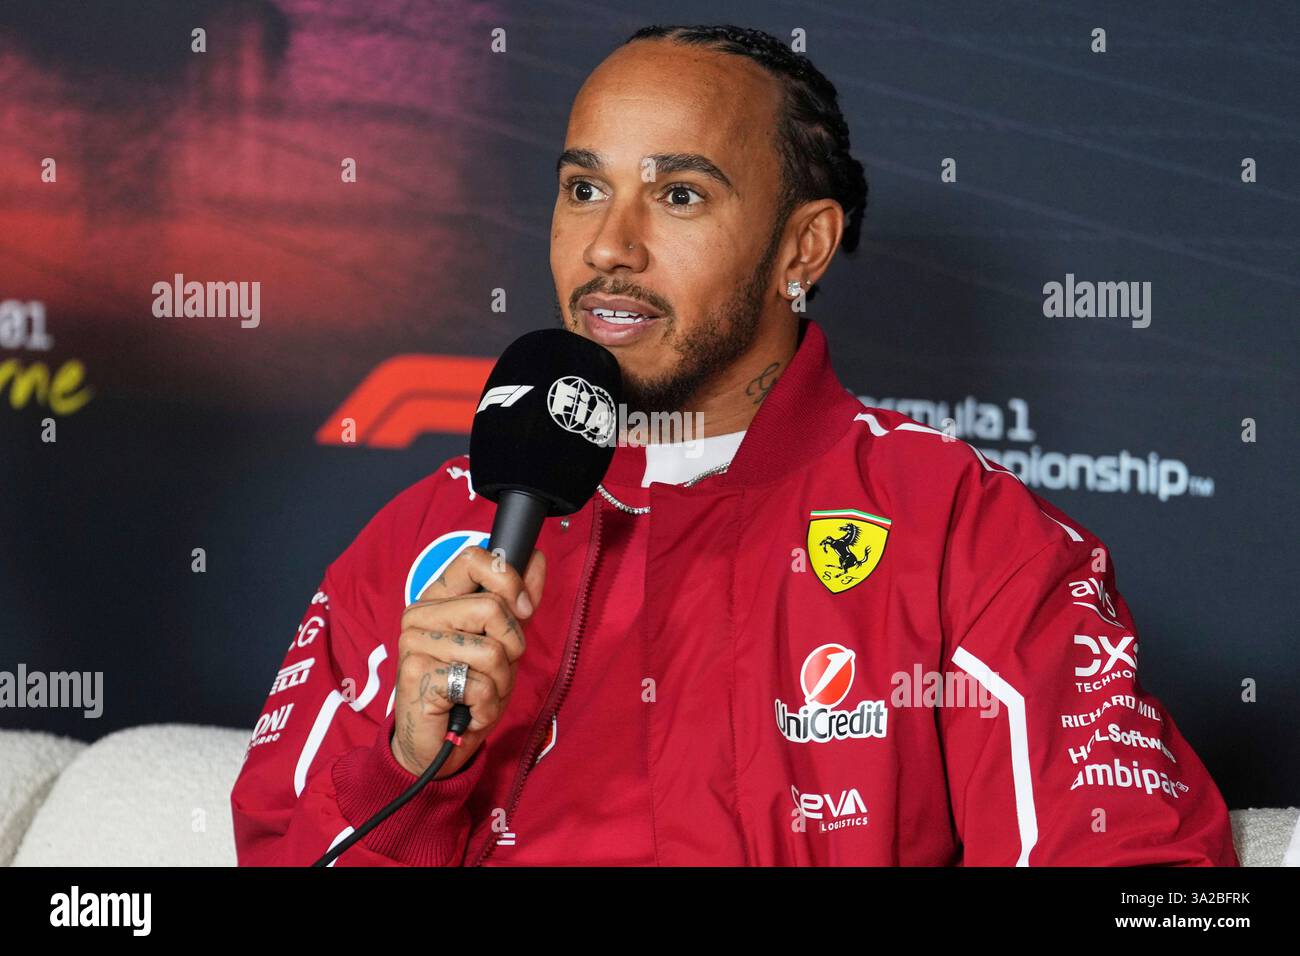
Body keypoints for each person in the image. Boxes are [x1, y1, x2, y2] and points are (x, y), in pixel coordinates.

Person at [230, 25, 1238, 866]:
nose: (609, 246)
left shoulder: (963, 530)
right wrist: (410, 758)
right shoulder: (430, 529)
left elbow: (1143, 870)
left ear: (802, 247)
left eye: (678, 196)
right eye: (584, 189)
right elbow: (284, 847)